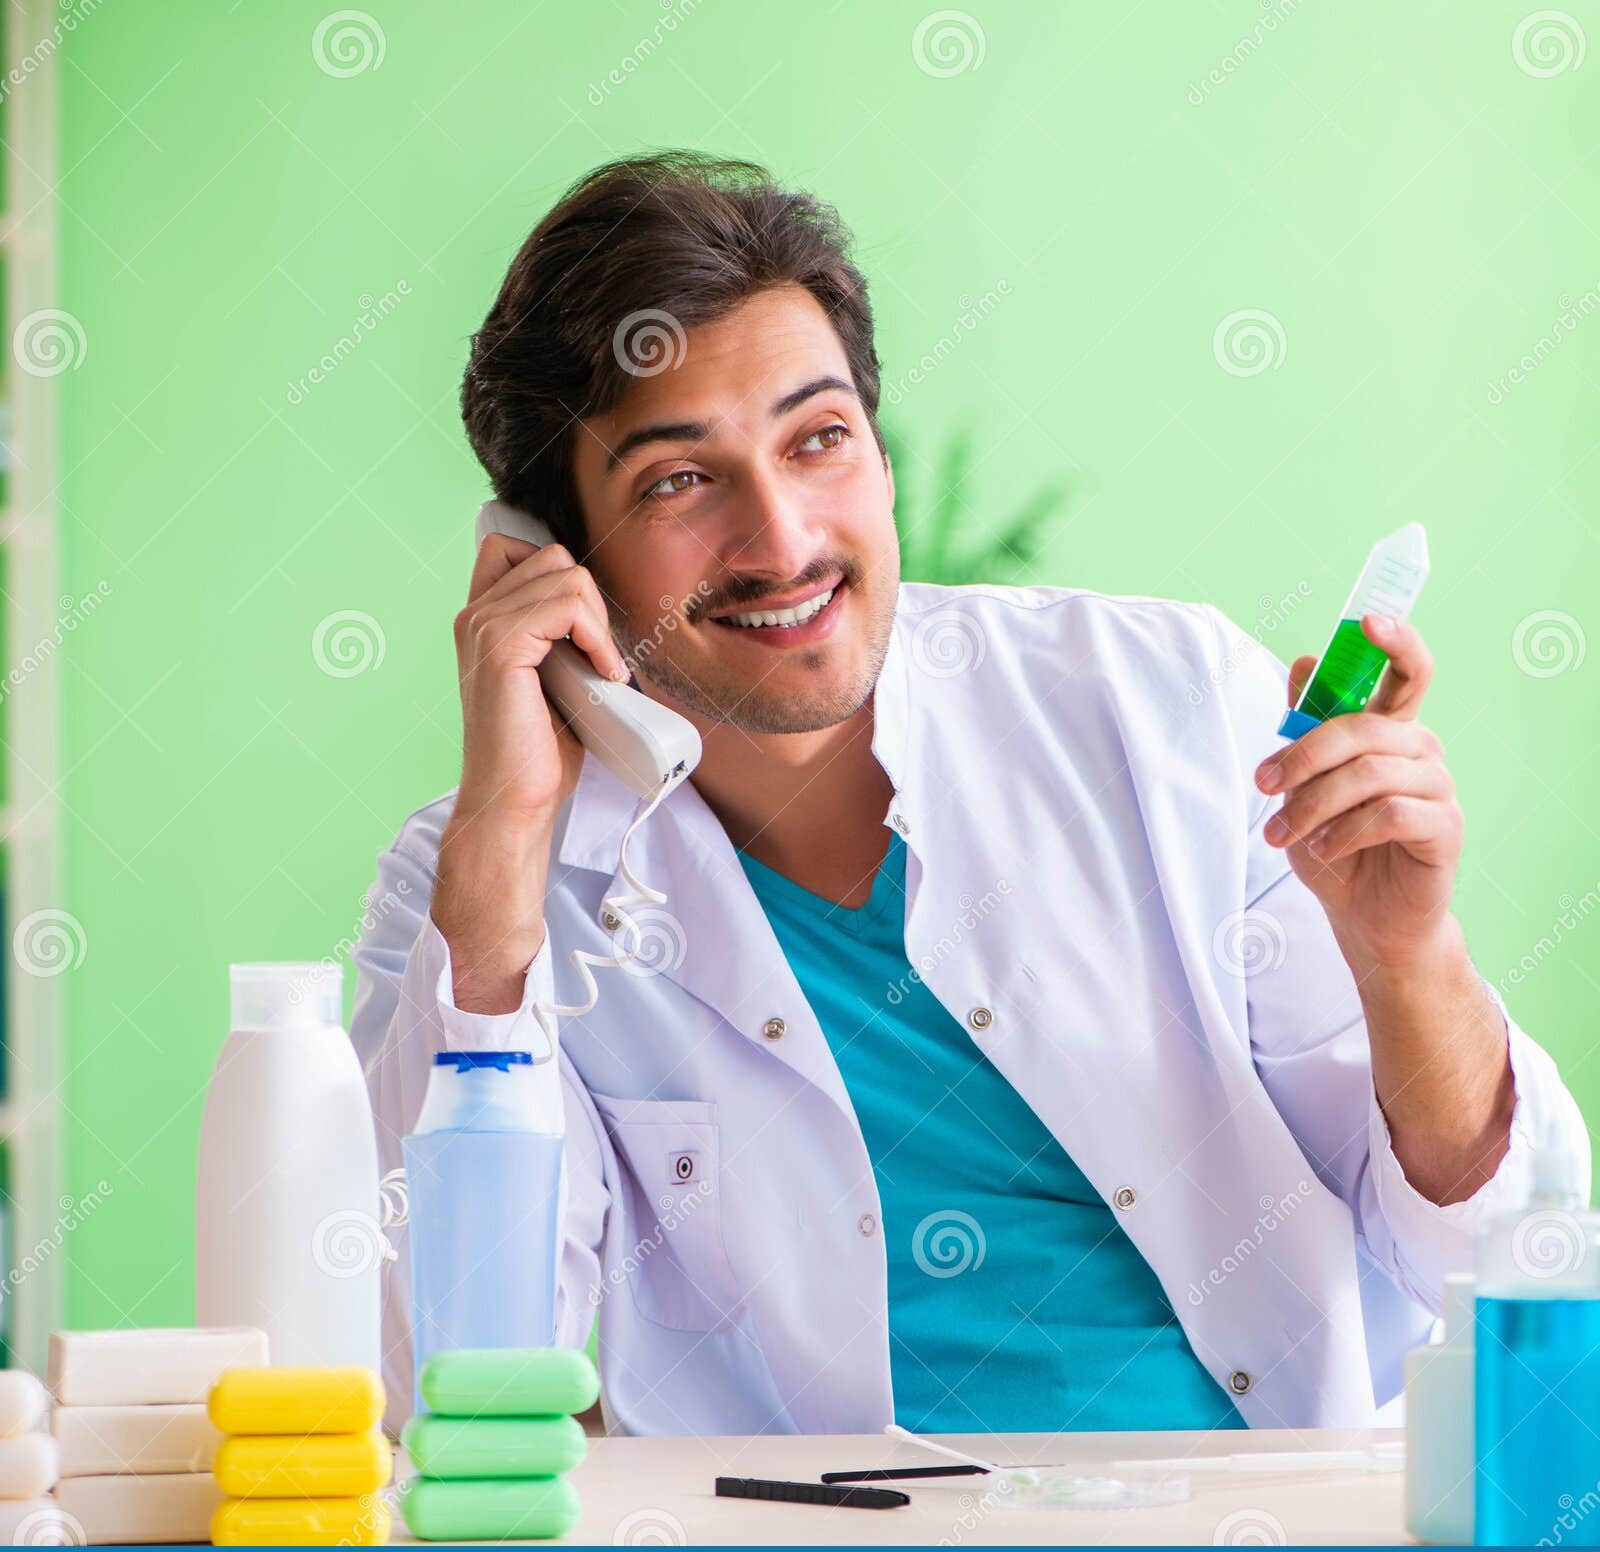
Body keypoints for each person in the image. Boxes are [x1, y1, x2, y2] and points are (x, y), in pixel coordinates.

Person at [351, 151, 1587, 1438]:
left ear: (878, 460)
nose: (780, 539)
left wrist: (1406, 959)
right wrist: (502, 850)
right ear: (553, 560)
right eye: (678, 480)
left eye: (818, 440)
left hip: (1254, 1530)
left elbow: (1499, 1254)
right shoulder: (480, 888)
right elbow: (436, 1383)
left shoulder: (1167, 704)